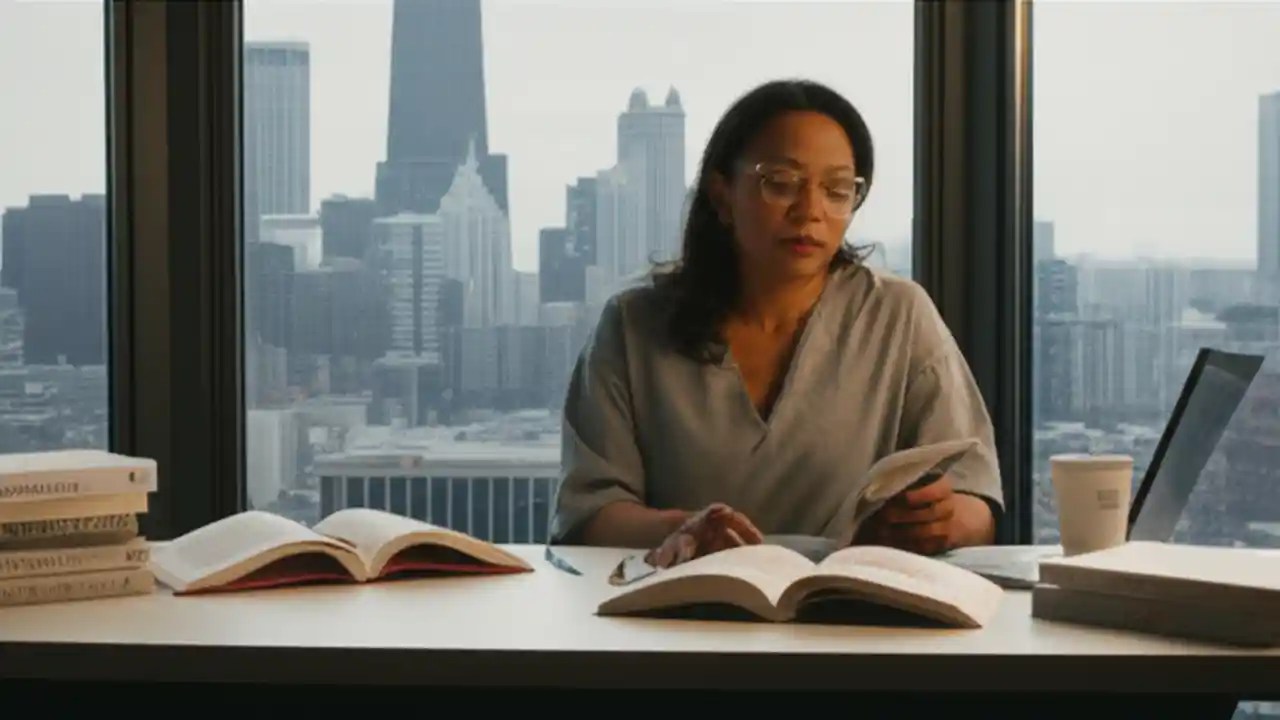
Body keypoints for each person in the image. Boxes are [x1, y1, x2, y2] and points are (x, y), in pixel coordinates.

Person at [548, 78, 1003, 568]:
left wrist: (942, 519)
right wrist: (682, 530)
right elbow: (589, 516)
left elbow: (977, 502)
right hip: (680, 620)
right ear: (722, 195)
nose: (810, 211)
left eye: (836, 190)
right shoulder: (633, 326)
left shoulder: (898, 315)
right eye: (781, 183)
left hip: (850, 621)